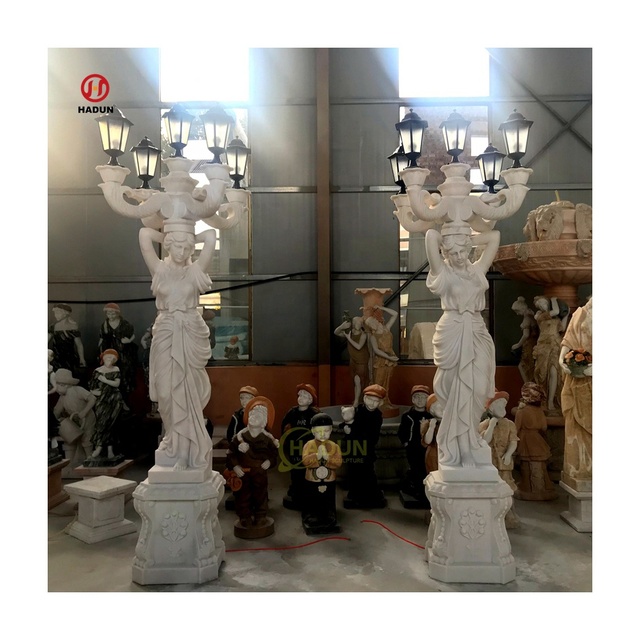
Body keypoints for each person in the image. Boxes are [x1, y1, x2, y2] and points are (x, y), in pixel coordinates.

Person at [138, 223, 217, 471]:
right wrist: (171, 231)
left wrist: (186, 232)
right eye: (177, 246)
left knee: (184, 391)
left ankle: (184, 452)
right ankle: (172, 440)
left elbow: (211, 235)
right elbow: (144, 234)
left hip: (189, 329)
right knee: (165, 393)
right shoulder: (159, 269)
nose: (182, 252)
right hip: (165, 330)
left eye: (186, 247)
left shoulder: (195, 271)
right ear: (168, 245)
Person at [425, 226, 500, 468]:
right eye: (453, 253)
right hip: (453, 330)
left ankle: (470, 438)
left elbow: (494, 237)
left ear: (469, 249)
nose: (458, 257)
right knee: (455, 388)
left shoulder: (477, 270)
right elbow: (431, 236)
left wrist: (466, 238)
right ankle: (460, 445)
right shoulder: (443, 273)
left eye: (462, 251)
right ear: (446, 253)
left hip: (477, 330)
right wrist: (451, 235)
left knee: (478, 387)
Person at [226, 396, 279, 533]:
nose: (253, 417)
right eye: (251, 414)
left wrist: (269, 461)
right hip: (243, 473)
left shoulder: (267, 439)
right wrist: (235, 466)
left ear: (264, 422)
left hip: (259, 473)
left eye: (258, 416)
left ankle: (261, 515)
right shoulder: (239, 438)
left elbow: (274, 454)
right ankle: (244, 516)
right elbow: (230, 453)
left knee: (260, 494)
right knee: (243, 495)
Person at [558, 297, 592, 484]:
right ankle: (581, 468)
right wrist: (563, 359)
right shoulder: (581, 313)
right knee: (577, 427)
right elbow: (568, 340)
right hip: (578, 382)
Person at [342, 383, 386, 508]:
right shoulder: (357, 410)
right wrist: (346, 428)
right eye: (370, 399)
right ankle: (354, 494)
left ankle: (370, 494)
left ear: (380, 403)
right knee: (353, 471)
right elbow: (347, 423)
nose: (372, 403)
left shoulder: (377, 416)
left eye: (376, 401)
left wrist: (354, 433)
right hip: (354, 447)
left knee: (368, 472)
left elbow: (373, 434)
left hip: (367, 448)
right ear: (365, 398)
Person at [514, 382, 558, 501]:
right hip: (538, 440)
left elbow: (516, 429)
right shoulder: (540, 411)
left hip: (526, 440)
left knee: (526, 466)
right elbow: (544, 427)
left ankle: (528, 487)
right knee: (542, 466)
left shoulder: (521, 411)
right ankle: (545, 487)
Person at [301, 412, 343, 535]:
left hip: (329, 479)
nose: (322, 434)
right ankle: (311, 515)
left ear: (331, 431)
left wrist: (327, 457)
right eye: (319, 431)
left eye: (326, 431)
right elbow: (305, 461)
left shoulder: (334, 446)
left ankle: (329, 516)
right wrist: (316, 456)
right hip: (312, 479)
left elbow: (338, 462)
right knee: (312, 498)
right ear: (313, 431)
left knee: (328, 499)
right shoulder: (309, 445)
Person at [280, 383, 319, 510]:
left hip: (309, 448)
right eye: (299, 395)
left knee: (308, 470)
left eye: (304, 396)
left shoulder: (314, 414)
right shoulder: (292, 412)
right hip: (294, 447)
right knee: (295, 470)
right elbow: (284, 425)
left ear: (310, 400)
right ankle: (295, 490)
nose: (301, 398)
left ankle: (308, 491)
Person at [52, 368, 96, 467]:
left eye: (57, 386)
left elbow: (92, 399)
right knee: (73, 439)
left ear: (64, 385)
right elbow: (57, 411)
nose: (56, 389)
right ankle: (74, 463)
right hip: (76, 421)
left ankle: (90, 460)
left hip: (87, 419)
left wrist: (84, 412)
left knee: (86, 439)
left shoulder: (78, 390)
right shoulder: (62, 397)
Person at [87, 348, 125, 464]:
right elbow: (92, 387)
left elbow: (116, 384)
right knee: (101, 423)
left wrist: (104, 380)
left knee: (111, 425)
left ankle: (109, 450)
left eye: (113, 358)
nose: (110, 359)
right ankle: (98, 448)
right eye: (108, 357)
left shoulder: (116, 369)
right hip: (102, 400)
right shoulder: (97, 371)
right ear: (103, 358)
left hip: (114, 399)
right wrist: (97, 392)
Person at [397, 384, 431, 505]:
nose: (420, 400)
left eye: (423, 397)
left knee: (424, 468)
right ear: (412, 399)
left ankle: (423, 489)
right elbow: (402, 431)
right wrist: (406, 442)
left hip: (426, 447)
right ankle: (416, 489)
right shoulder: (407, 416)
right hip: (413, 447)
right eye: (417, 397)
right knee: (415, 467)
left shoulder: (430, 415)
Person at [532, 296, 566, 413]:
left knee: (554, 372)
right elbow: (555, 311)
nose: (542, 306)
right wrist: (554, 299)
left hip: (555, 345)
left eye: (543, 303)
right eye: (539, 305)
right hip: (544, 347)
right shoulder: (540, 316)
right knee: (542, 373)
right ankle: (543, 399)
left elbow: (563, 328)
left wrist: (566, 315)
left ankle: (551, 400)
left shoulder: (555, 319)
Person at [98, 303, 138, 399]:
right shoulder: (105, 324)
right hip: (110, 348)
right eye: (108, 314)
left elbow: (133, 335)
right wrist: (100, 349)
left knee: (125, 368)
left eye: (113, 314)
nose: (111, 316)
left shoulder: (125, 324)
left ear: (117, 314)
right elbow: (102, 338)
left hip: (123, 349)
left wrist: (128, 340)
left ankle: (125, 388)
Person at [364, 305, 399, 413]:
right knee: (378, 382)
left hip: (390, 360)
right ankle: (377, 403)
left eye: (374, 321)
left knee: (386, 382)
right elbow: (376, 351)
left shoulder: (386, 329)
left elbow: (395, 314)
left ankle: (385, 402)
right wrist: (389, 357)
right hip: (381, 361)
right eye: (372, 323)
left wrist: (381, 308)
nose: (375, 323)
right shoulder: (373, 337)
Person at [334, 315, 370, 405]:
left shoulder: (363, 334)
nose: (357, 324)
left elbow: (359, 346)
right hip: (353, 360)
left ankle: (357, 401)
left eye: (359, 323)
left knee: (359, 380)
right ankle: (357, 400)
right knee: (355, 381)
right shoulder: (350, 332)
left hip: (361, 360)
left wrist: (348, 338)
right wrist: (342, 327)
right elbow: (336, 332)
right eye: (355, 323)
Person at [48, 303, 86, 377]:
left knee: (68, 374)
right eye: (55, 313)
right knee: (57, 375)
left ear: (65, 313)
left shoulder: (73, 326)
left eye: (58, 313)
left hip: (69, 356)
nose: (55, 315)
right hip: (56, 356)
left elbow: (79, 344)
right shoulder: (53, 326)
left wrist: (82, 358)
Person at [510, 296, 539, 383]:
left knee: (524, 366)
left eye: (517, 311)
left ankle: (528, 385)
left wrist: (518, 345)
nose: (517, 314)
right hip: (533, 343)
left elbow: (526, 335)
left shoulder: (527, 318)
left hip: (529, 345)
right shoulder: (531, 315)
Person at [421, 394, 443, 475]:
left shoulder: (450, 424)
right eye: (439, 406)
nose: (442, 409)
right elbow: (427, 441)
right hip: (434, 453)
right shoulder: (429, 423)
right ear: (432, 409)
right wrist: (431, 427)